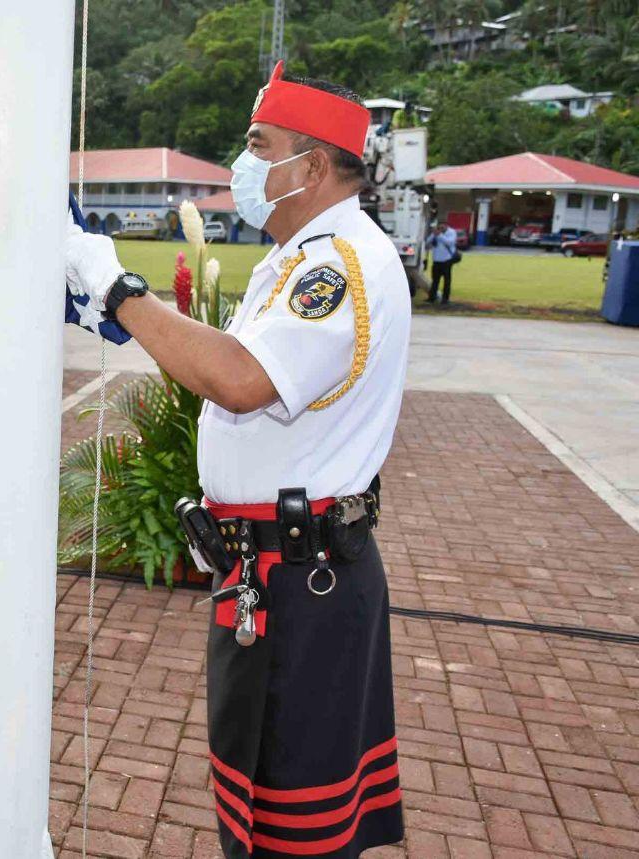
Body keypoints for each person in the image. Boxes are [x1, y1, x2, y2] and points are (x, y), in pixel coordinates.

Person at [66, 61, 408, 858]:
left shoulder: (337, 265)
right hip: (275, 572)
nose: (243, 164)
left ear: (314, 165)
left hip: (304, 580)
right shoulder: (297, 254)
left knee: (298, 824)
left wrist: (116, 288)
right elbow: (217, 363)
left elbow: (242, 379)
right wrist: (123, 313)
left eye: (260, 145)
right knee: (262, 804)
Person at [426, 221, 458, 305]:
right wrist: (434, 234)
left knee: (447, 281)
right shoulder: (435, 233)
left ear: (446, 226)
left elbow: (450, 242)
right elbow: (428, 242)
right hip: (436, 260)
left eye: (442, 228)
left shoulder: (451, 232)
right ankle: (431, 298)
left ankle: (445, 299)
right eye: (439, 228)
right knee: (435, 281)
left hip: (446, 260)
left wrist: (440, 235)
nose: (441, 229)